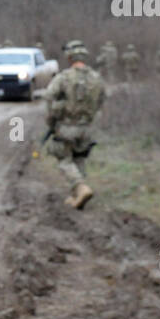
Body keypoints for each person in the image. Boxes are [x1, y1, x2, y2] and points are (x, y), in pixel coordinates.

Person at [42, 41, 106, 209]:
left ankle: (80, 187)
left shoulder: (64, 77)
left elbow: (49, 97)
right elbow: (101, 100)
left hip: (67, 126)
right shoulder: (96, 77)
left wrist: (52, 119)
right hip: (88, 127)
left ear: (69, 57)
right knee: (79, 157)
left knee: (64, 159)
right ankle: (77, 197)